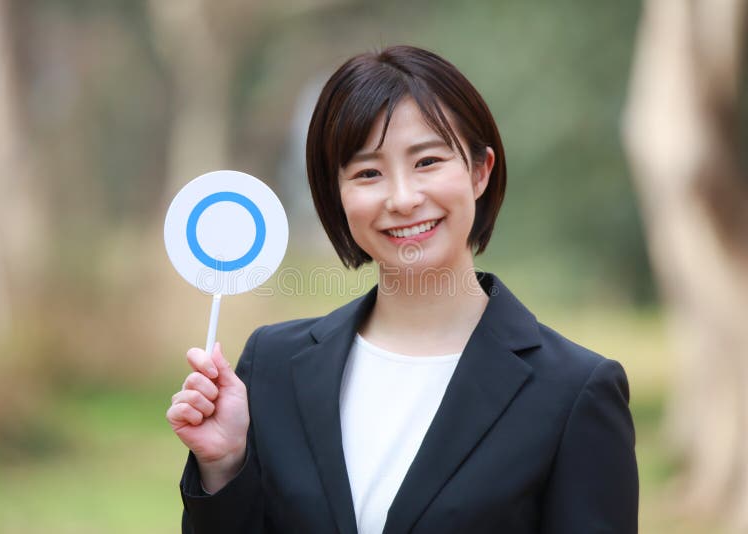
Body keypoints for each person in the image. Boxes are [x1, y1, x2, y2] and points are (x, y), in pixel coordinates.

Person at [166, 45, 639, 533]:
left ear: (480, 171)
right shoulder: (272, 367)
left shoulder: (574, 391)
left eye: (427, 161)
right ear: (337, 195)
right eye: (368, 173)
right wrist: (223, 466)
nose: (403, 198)